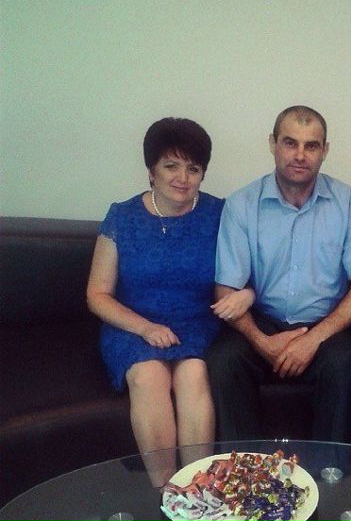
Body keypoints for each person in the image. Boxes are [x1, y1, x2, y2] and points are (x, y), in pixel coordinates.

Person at [87, 117, 253, 486]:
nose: (182, 178)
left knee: (194, 374)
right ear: (152, 170)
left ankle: (198, 491)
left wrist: (247, 294)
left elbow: (253, 273)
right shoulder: (122, 217)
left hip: (197, 325)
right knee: (148, 376)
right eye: (171, 166)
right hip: (134, 326)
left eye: (193, 168)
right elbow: (97, 295)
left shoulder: (221, 214)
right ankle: (166, 491)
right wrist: (146, 328)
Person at [207, 105, 351, 442]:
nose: (300, 155)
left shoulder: (350, 203)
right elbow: (226, 291)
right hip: (262, 321)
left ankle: (329, 470)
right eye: (290, 143)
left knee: (344, 361)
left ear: (325, 150)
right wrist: (263, 343)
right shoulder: (241, 204)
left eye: (311, 145)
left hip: (326, 325)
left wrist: (312, 340)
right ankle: (245, 467)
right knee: (223, 361)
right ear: (272, 143)